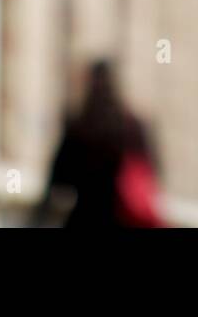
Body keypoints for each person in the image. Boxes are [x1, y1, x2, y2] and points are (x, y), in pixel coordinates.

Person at [33, 59, 163, 227]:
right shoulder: (132, 127)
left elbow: (57, 182)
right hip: (123, 220)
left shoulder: (79, 127)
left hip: (85, 219)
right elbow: (151, 172)